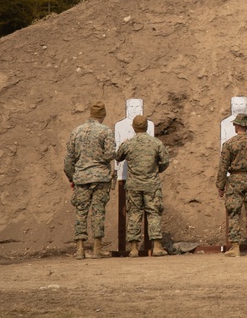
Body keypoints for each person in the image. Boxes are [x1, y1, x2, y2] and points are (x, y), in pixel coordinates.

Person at [64, 101, 116, 260]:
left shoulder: (76, 132)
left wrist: (72, 177)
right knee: (98, 211)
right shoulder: (105, 131)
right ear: (104, 115)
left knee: (81, 212)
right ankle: (97, 248)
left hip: (81, 178)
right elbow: (109, 154)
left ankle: (79, 248)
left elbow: (68, 161)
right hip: (100, 177)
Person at [114, 115, 170, 257]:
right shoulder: (156, 143)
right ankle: (157, 246)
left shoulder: (129, 144)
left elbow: (118, 156)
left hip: (133, 185)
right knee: (154, 213)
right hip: (151, 184)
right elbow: (165, 161)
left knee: (133, 214)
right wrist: (156, 171)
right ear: (146, 127)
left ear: (133, 127)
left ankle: (133, 248)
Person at [217, 113, 247, 257]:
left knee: (234, 212)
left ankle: (236, 247)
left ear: (237, 125)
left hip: (235, 180)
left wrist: (220, 185)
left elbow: (223, 167)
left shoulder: (229, 144)